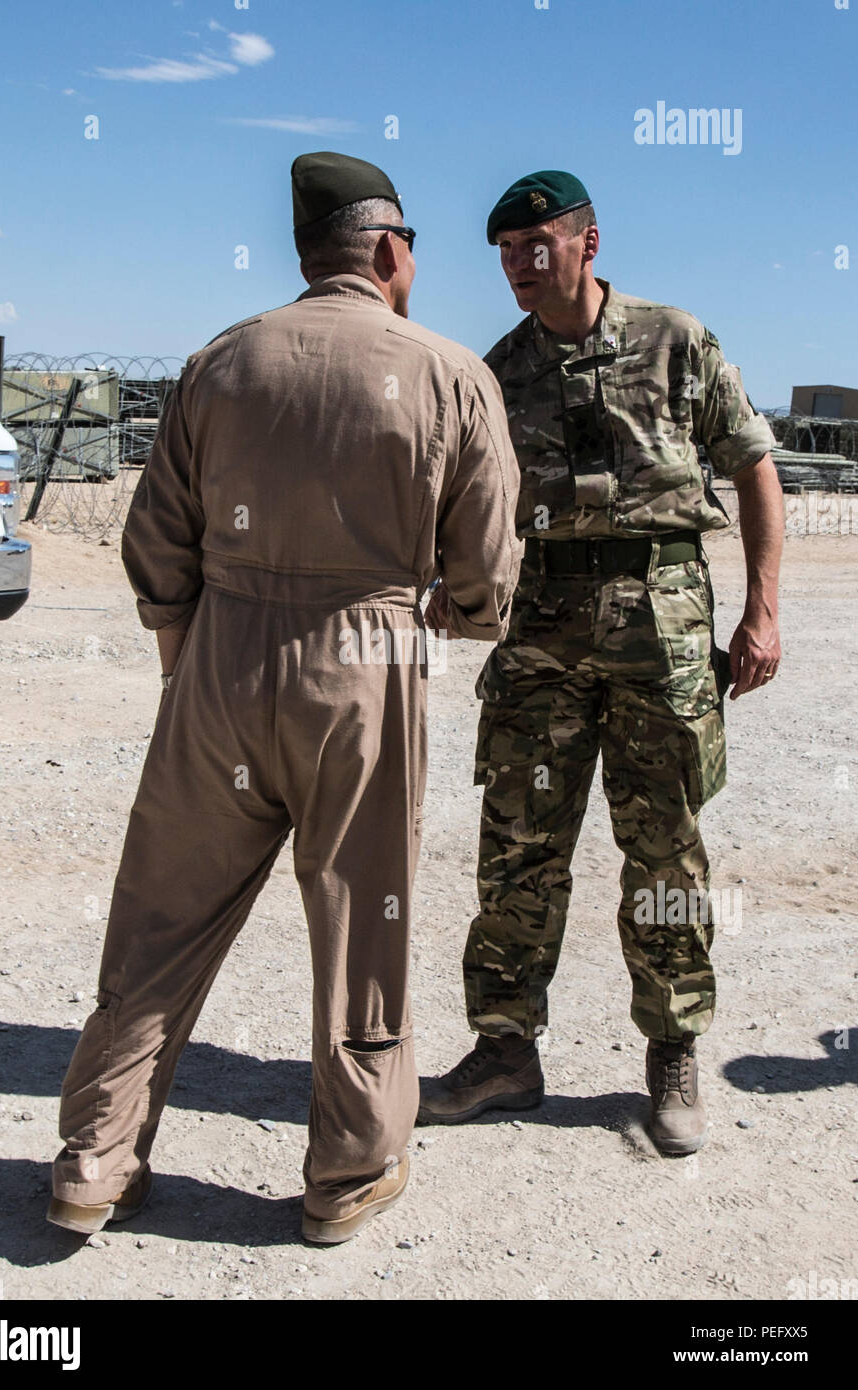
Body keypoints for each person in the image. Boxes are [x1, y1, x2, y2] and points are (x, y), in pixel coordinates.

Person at [46, 152, 521, 1243]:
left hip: (220, 657)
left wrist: (191, 658)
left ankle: (93, 1157)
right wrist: (422, 618)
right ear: (391, 250)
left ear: (308, 255)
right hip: (366, 667)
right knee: (364, 920)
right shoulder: (449, 373)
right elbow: (489, 580)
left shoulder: (223, 360)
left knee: (161, 920)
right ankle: (347, 1171)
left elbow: (152, 546)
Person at [420, 170, 783, 1155]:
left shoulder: (675, 343)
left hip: (657, 633)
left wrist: (760, 612)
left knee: (662, 850)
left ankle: (671, 1052)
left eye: (537, 246)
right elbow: (465, 503)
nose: (520, 267)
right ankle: (503, 1050)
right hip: (538, 639)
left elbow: (754, 466)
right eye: (504, 252)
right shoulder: (498, 372)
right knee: (516, 849)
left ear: (586, 243)